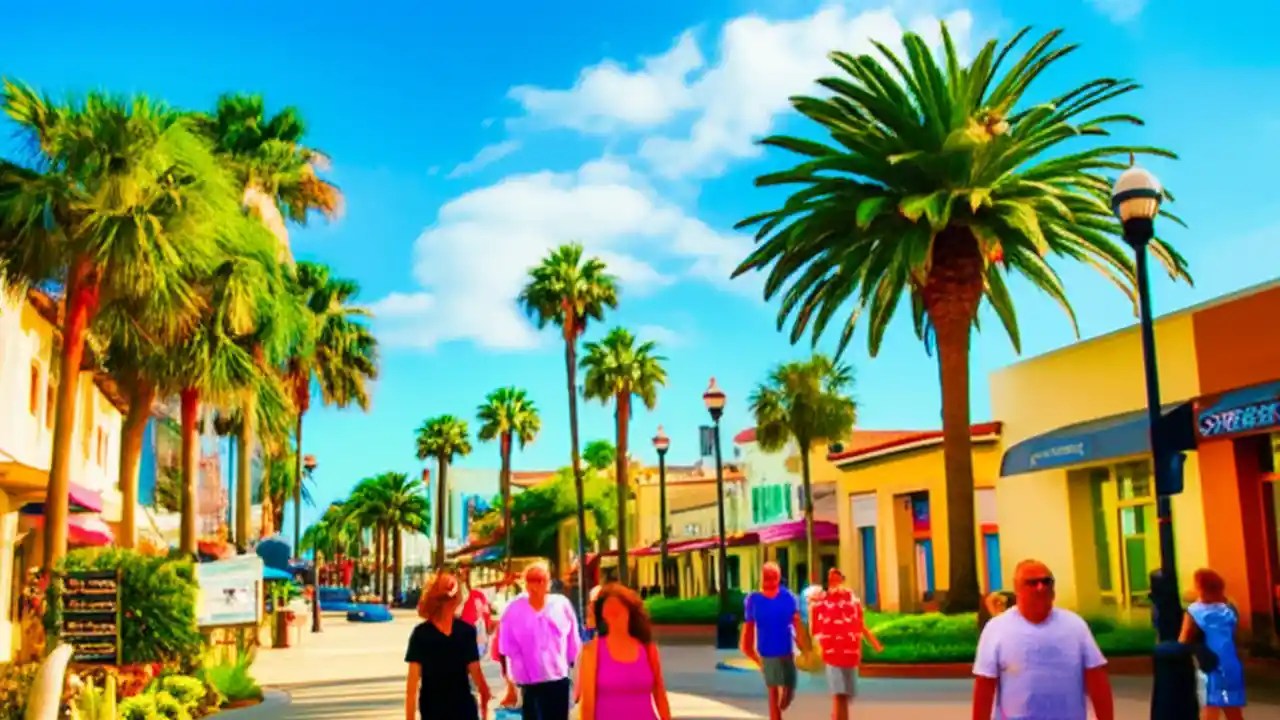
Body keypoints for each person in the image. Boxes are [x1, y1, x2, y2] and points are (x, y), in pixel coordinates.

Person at [972, 559, 1113, 720]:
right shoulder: (997, 629)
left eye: (1047, 582)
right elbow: (984, 686)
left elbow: (1097, 679)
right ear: (1017, 589)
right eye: (1032, 583)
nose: (1041, 587)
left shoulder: (1075, 626)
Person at [496, 562, 582, 720]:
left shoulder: (561, 605)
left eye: (541, 579)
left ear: (549, 582)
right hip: (529, 684)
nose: (537, 584)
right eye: (532, 579)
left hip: (558, 680)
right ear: (525, 583)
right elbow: (506, 649)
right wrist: (511, 685)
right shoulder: (513, 609)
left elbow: (573, 644)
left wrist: (578, 679)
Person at [578, 583, 672, 720]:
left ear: (630, 612)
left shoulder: (648, 648)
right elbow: (587, 704)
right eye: (609, 609)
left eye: (619, 608)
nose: (614, 613)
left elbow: (660, 694)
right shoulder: (592, 650)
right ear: (602, 615)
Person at [404, 572, 491, 720]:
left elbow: (412, 687)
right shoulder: (466, 631)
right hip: (461, 709)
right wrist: (484, 708)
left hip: (435, 709)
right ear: (457, 599)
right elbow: (478, 678)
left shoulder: (421, 634)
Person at [741, 562, 811, 720]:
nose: (769, 580)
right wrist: (754, 656)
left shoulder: (788, 597)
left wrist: (805, 648)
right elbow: (748, 630)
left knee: (789, 685)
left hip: (786, 650)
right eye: (766, 576)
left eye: (773, 576)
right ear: (761, 578)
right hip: (766, 651)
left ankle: (787, 693)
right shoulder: (754, 600)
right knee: (773, 690)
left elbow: (797, 625)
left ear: (779, 578)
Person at [810, 568, 882, 720]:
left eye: (837, 579)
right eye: (832, 579)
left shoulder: (853, 602)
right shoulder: (822, 602)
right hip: (832, 655)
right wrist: (818, 647)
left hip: (850, 654)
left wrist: (873, 643)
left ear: (842, 580)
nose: (835, 583)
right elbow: (815, 629)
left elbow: (860, 625)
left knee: (846, 696)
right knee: (839, 694)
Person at [1180, 568, 1247, 719]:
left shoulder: (1194, 611)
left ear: (1200, 588)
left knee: (1210, 709)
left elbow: (1183, 641)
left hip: (1210, 665)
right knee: (1233, 711)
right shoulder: (1229, 609)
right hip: (1231, 664)